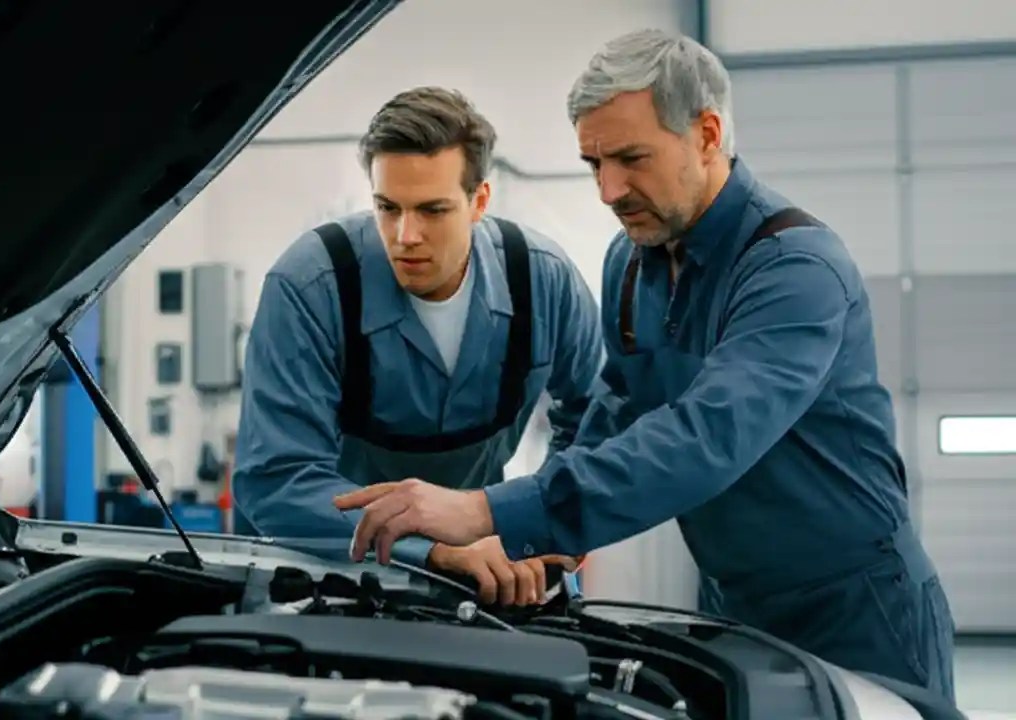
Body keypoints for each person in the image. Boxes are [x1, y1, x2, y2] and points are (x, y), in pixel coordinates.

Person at [334, 31, 957, 702]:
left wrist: (488, 510)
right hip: (733, 606)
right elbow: (618, 409)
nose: (608, 189)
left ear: (708, 134)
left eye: (632, 158)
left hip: (859, 611)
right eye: (593, 162)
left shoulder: (794, 269)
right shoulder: (632, 264)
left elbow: (705, 438)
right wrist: (543, 544)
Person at [232, 86, 603, 606]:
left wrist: (535, 529)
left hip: (489, 572)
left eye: (432, 210)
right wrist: (429, 548)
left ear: (479, 202)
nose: (405, 235)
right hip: (326, 581)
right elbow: (275, 479)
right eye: (388, 207)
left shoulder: (544, 281)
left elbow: (599, 429)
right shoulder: (311, 286)